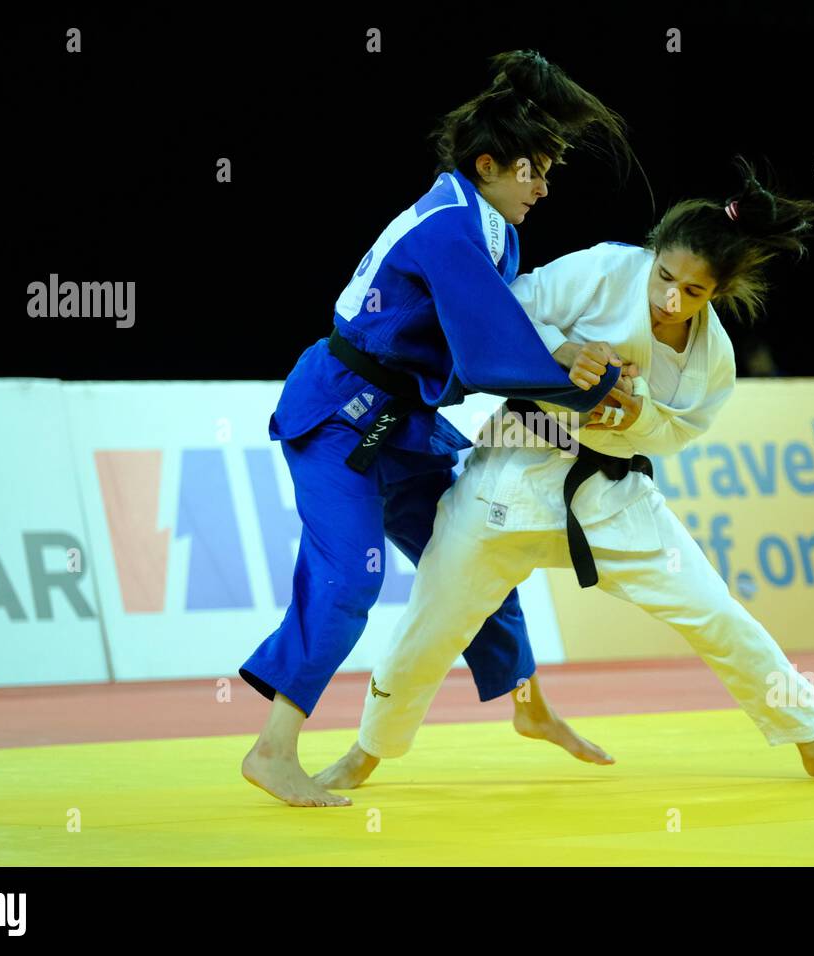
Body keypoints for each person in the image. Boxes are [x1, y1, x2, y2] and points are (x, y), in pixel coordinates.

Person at [317, 157, 814, 789]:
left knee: (716, 614)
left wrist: (637, 417)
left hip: (612, 497)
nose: (669, 296)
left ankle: (812, 741)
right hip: (510, 474)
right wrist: (565, 353)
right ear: (652, 255)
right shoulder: (603, 269)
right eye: (665, 275)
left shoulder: (716, 360)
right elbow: (505, 308)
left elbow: (679, 431)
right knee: (430, 623)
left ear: (718, 295)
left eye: (694, 292)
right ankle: (365, 753)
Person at [240, 50, 644, 807]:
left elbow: (499, 332)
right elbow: (490, 351)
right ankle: (272, 750)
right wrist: (588, 384)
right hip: (337, 414)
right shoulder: (452, 227)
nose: (545, 188)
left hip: (405, 423)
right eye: (534, 171)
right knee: (352, 576)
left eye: (550, 171)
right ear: (489, 164)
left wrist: (579, 367)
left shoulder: (491, 225)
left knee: (475, 544)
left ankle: (526, 705)